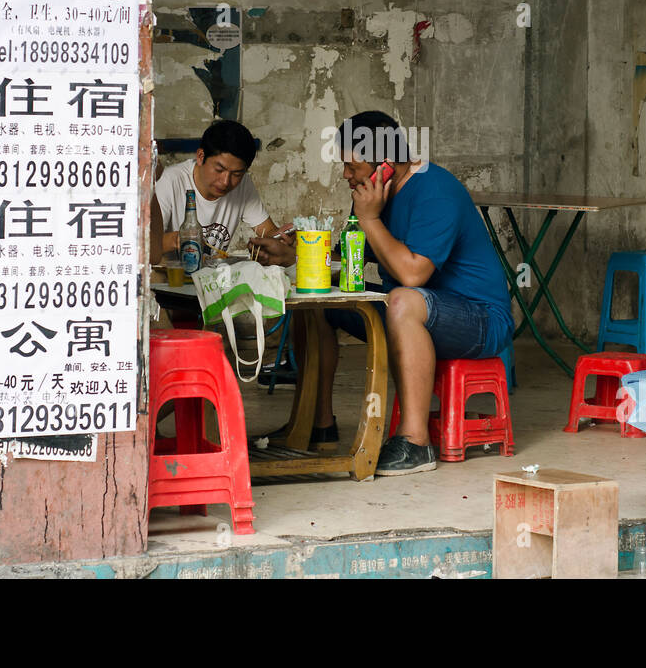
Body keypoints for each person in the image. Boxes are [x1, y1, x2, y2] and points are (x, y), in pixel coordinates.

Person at [251, 111, 513, 475]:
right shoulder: (375, 194)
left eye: (352, 166)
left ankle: (416, 443)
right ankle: (317, 423)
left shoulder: (435, 189)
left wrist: (371, 218)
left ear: (385, 165)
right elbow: (350, 251)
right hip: (418, 312)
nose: (345, 175)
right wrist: (295, 253)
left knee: (403, 299)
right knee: (318, 297)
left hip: (478, 318)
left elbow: (412, 273)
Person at [153, 119, 291, 263]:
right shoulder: (169, 181)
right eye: (219, 170)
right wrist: (177, 239)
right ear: (200, 156)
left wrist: (280, 239)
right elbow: (143, 245)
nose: (226, 181)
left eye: (237, 174)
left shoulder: (243, 184)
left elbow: (267, 232)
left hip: (212, 279)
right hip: (170, 281)